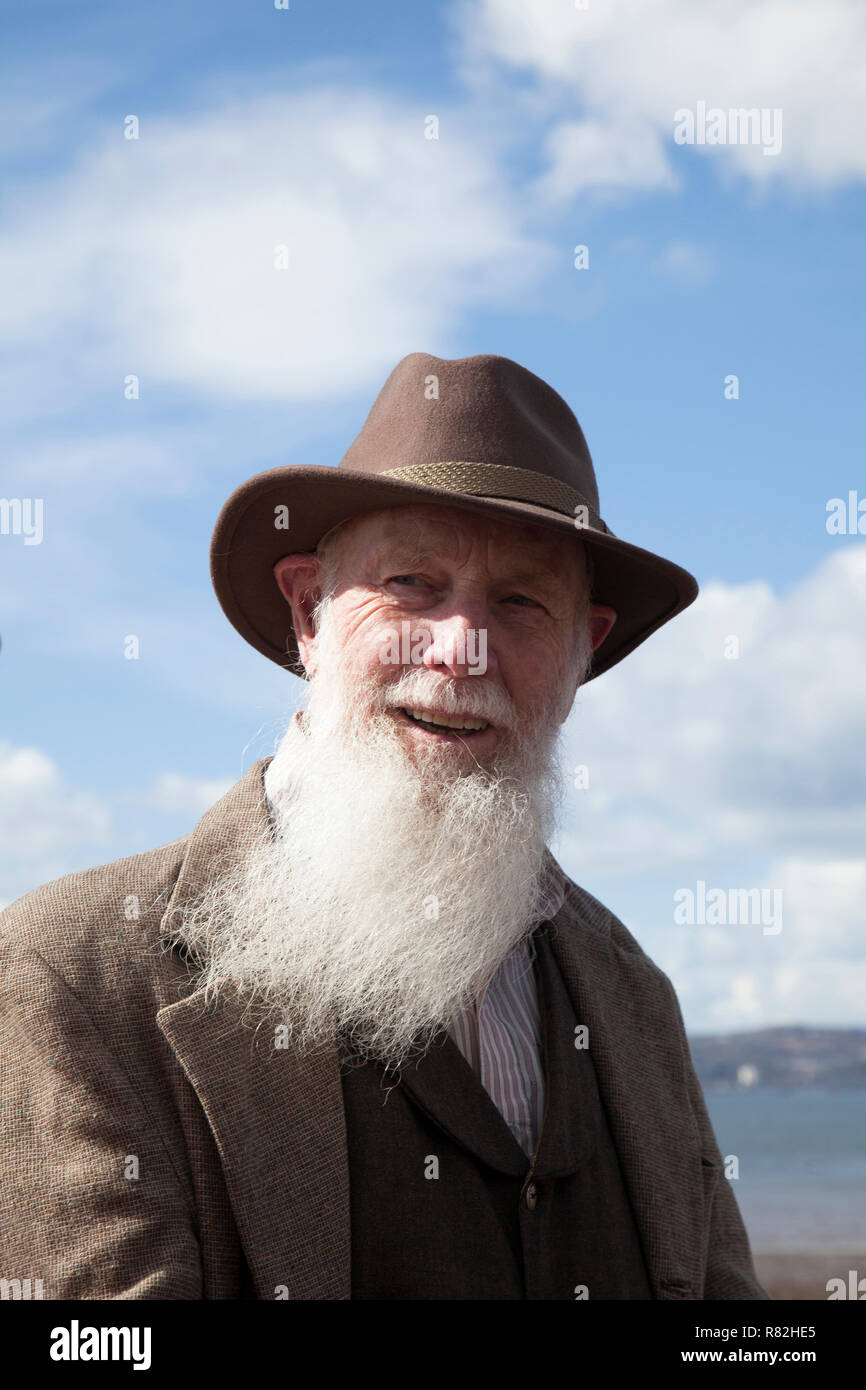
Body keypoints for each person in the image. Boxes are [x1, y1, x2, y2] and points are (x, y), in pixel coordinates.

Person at [0, 352, 769, 1299]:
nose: (459, 647)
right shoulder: (72, 973)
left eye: (521, 601)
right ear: (309, 612)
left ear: (583, 650)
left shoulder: (634, 992)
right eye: (411, 583)